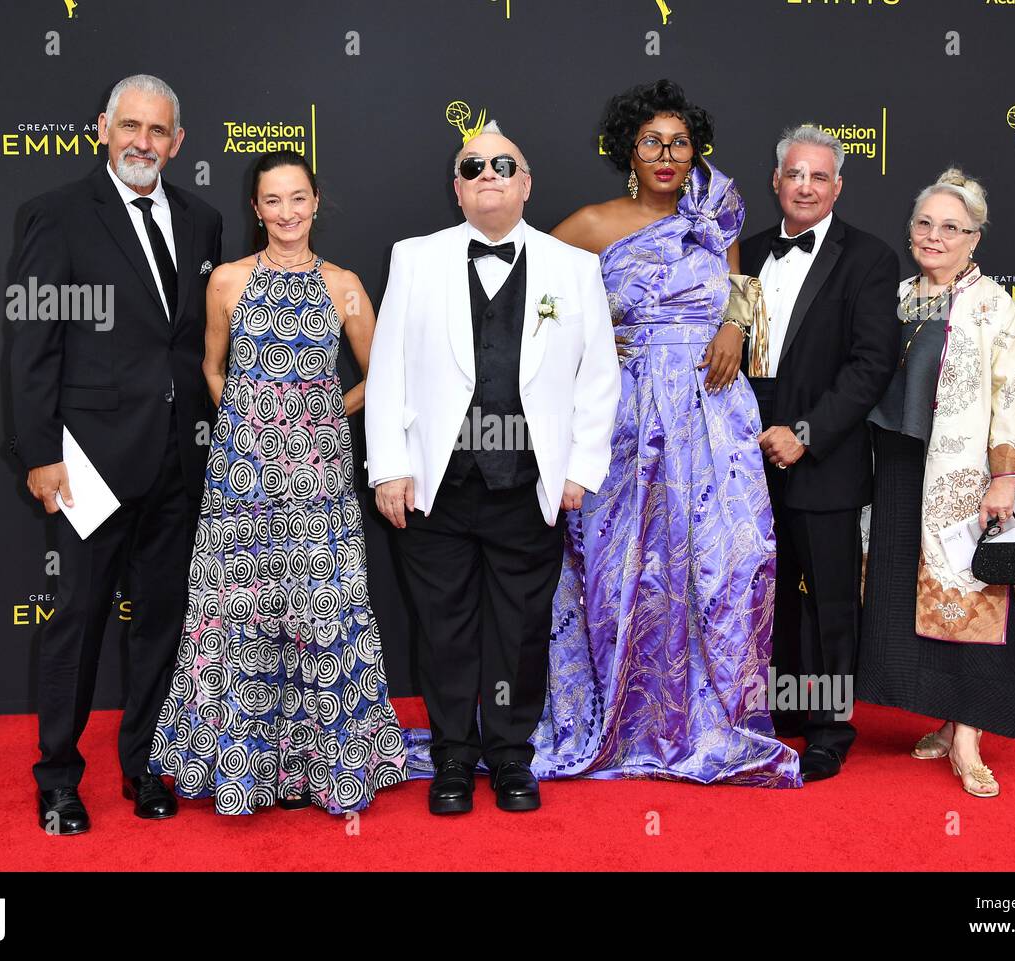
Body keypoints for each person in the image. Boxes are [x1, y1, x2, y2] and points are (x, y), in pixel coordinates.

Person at [527, 79, 800, 786]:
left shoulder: (716, 214)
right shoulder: (591, 223)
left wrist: (736, 325)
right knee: (628, 566)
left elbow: (738, 286)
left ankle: (713, 720)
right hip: (628, 416)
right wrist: (589, 340)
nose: (667, 155)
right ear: (629, 150)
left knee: (729, 559)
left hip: (715, 410)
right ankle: (627, 719)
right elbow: (536, 299)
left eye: (679, 143)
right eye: (652, 142)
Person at [365, 121, 620, 814]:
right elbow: (386, 368)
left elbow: (599, 378)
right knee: (443, 629)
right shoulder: (413, 258)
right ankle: (452, 757)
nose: (488, 174)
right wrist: (389, 466)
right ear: (456, 186)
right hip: (435, 485)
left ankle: (510, 756)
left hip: (528, 485)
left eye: (502, 164)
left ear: (525, 183)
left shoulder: (574, 268)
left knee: (519, 629)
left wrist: (579, 469)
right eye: (472, 165)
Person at [148, 150, 409, 815]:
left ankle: (316, 768)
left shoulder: (345, 284)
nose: (287, 212)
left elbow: (383, 376)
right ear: (255, 208)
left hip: (319, 476)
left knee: (318, 613)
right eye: (273, 200)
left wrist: (323, 411)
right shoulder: (228, 282)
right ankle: (245, 766)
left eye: (298, 198)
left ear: (316, 202)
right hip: (244, 478)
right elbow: (213, 366)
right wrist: (247, 417)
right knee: (244, 613)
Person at [9, 74, 223, 834]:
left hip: (177, 460)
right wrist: (40, 452)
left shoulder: (203, 220)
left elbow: (193, 345)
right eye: (129, 125)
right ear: (103, 127)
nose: (142, 141)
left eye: (157, 130)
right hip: (89, 462)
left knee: (160, 620)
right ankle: (59, 779)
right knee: (79, 618)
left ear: (177, 142)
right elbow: (33, 344)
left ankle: (145, 765)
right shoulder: (58, 214)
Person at [857, 169, 1015, 798]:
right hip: (896, 466)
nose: (935, 235)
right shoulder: (898, 297)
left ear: (974, 239)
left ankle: (972, 739)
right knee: (912, 601)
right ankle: (946, 723)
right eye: (925, 223)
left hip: (965, 477)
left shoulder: (996, 308)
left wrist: (1004, 481)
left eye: (951, 227)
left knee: (974, 603)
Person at [738, 125, 901, 781]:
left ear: (837, 186)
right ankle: (782, 714)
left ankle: (830, 727)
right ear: (776, 181)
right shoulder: (742, 253)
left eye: (819, 176)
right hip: (743, 451)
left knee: (830, 599)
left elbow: (871, 365)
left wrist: (802, 433)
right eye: (794, 174)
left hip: (822, 449)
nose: (805, 186)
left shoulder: (870, 258)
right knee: (764, 595)